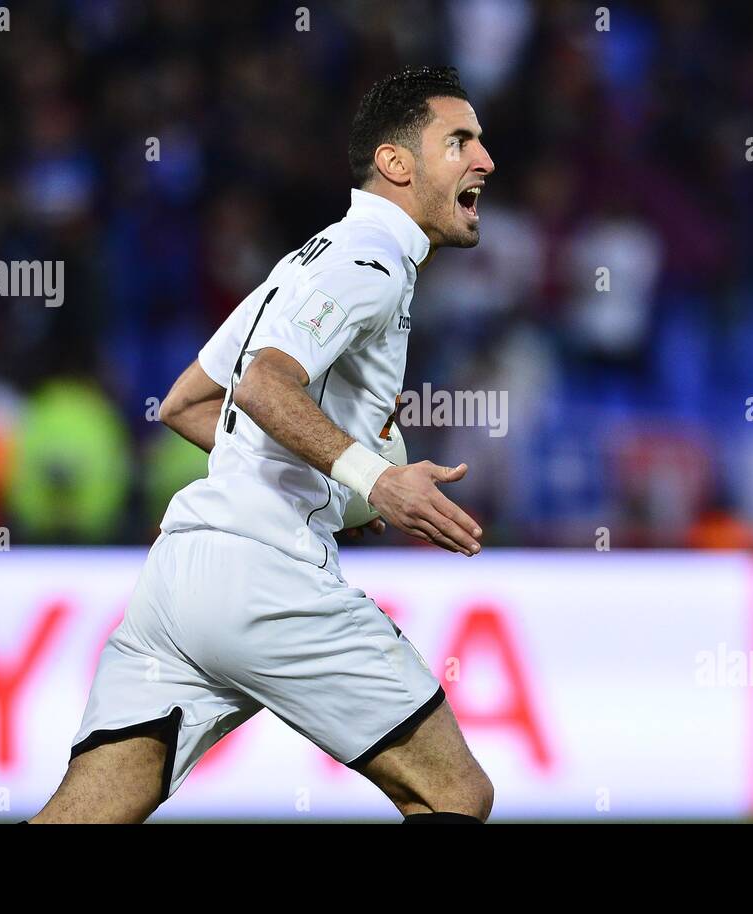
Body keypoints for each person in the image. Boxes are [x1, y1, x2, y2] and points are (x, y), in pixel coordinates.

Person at [29, 66, 495, 824]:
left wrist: (339, 487)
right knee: (454, 793)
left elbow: (188, 402)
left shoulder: (304, 262)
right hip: (266, 576)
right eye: (461, 141)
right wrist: (375, 480)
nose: (485, 159)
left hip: (181, 577)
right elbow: (262, 390)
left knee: (83, 815)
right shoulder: (368, 264)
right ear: (396, 163)